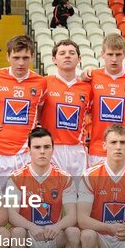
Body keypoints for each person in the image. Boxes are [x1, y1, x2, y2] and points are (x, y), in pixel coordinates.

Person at [4, 128, 81, 248]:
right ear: (29, 150)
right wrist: (32, 226)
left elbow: (72, 215)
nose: (42, 151)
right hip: (28, 242)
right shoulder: (16, 178)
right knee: (16, 231)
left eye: (47, 147)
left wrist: (58, 226)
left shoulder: (64, 178)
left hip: (54, 240)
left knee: (73, 231)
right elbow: (11, 215)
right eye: (37, 147)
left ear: (53, 149)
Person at [0, 35, 47, 176]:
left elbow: (41, 111)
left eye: (25, 58)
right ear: (8, 56)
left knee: (23, 197)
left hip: (26, 153)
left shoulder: (41, 82)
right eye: (16, 57)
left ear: (32, 57)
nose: (21, 63)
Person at [39, 40, 92, 177]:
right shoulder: (44, 83)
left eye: (71, 53)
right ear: (54, 59)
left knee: (77, 194)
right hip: (51, 148)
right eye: (62, 53)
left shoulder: (87, 88)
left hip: (77, 149)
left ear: (79, 59)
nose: (67, 56)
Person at [87, 34, 125, 168]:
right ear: (102, 54)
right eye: (110, 54)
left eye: (118, 54)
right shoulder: (93, 76)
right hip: (98, 148)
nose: (114, 59)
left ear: (124, 54)